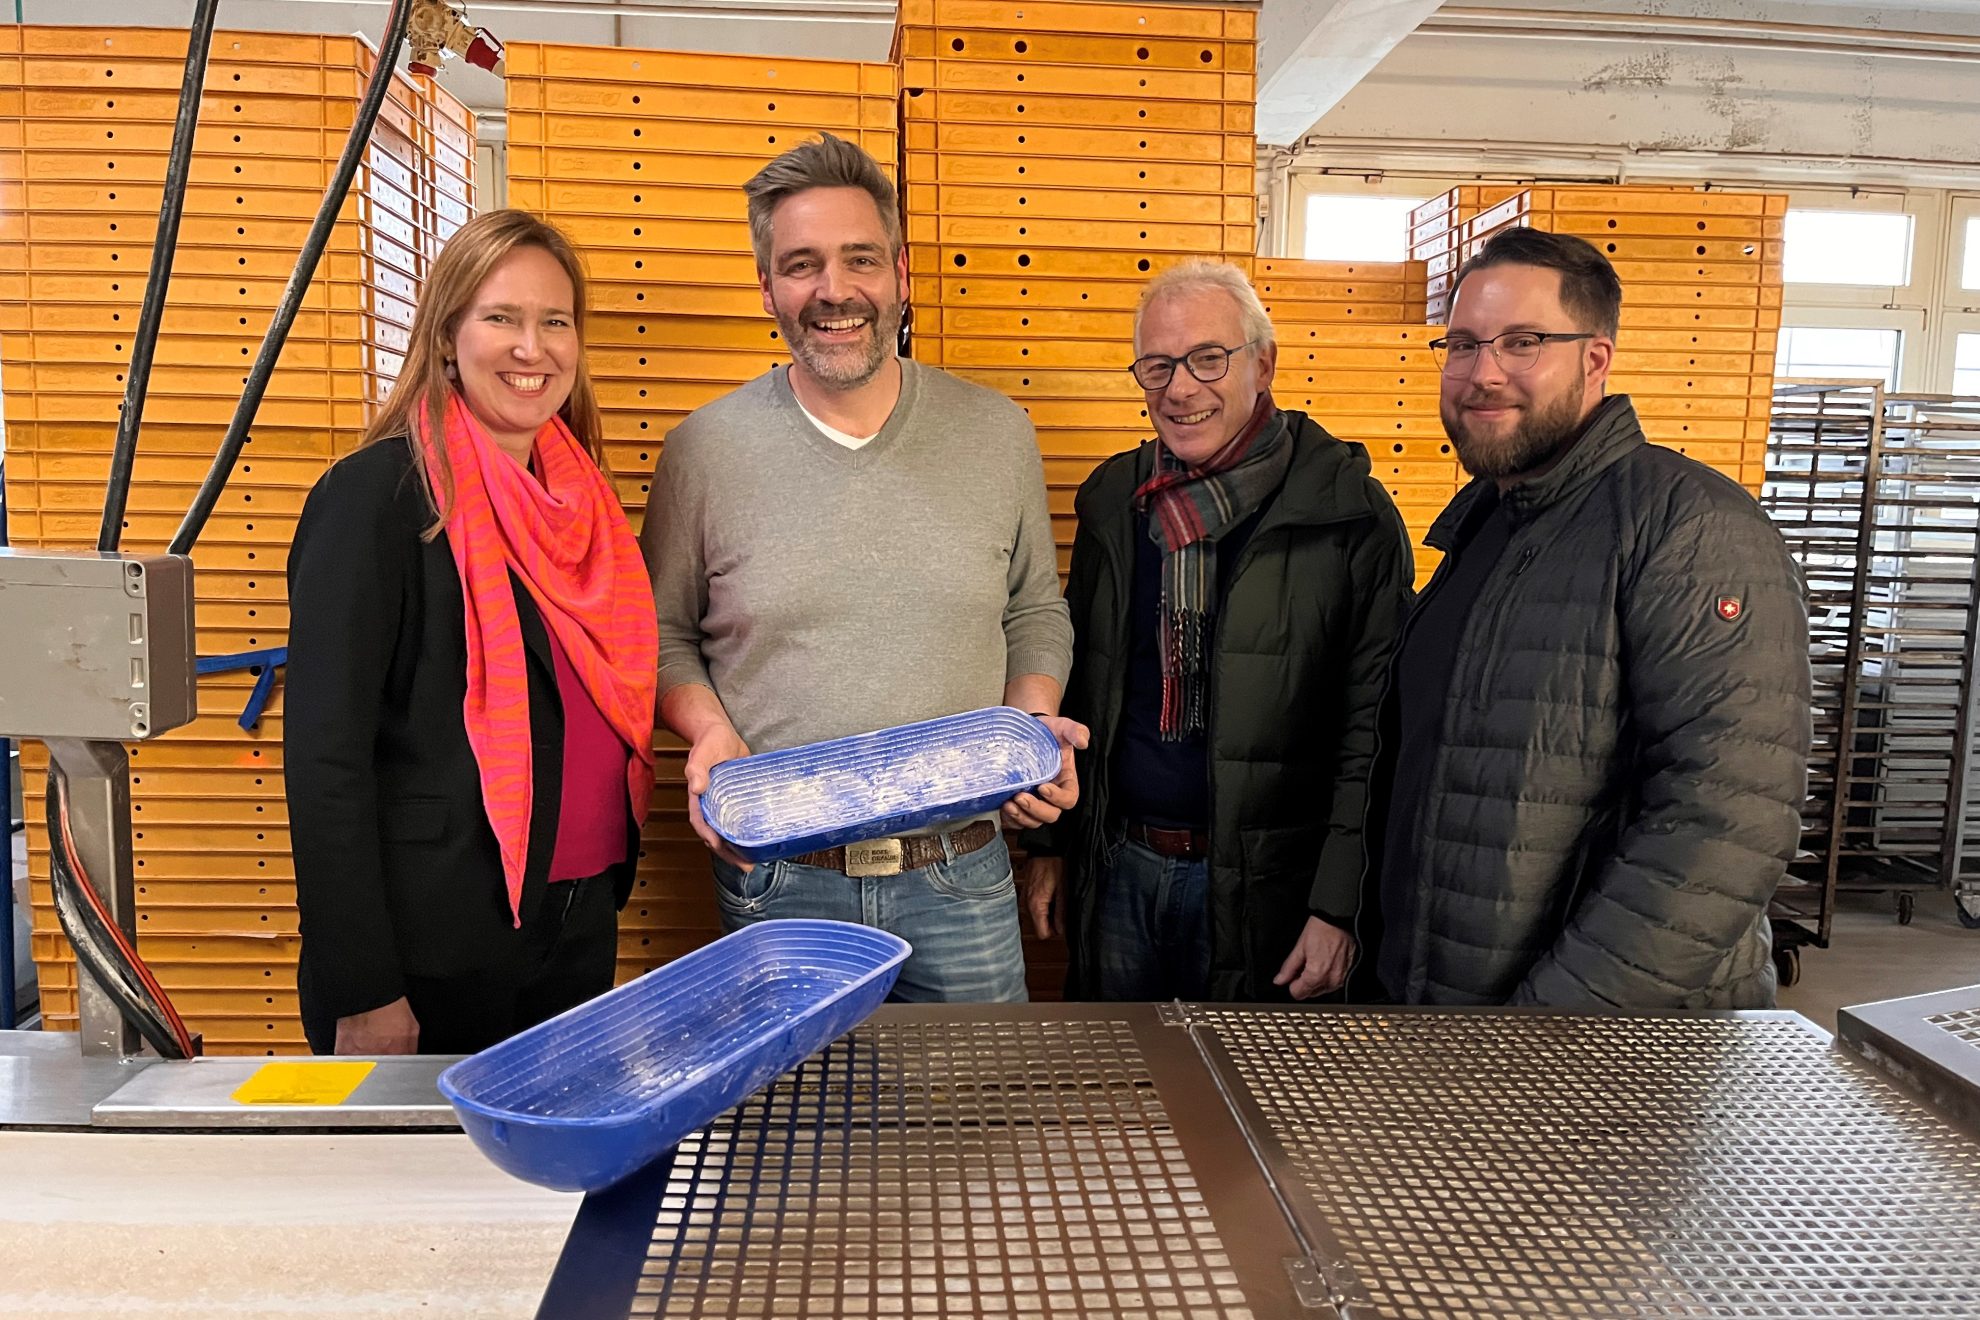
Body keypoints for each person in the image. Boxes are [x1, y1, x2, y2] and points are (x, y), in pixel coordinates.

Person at [642, 132, 1080, 1003]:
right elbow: (661, 635)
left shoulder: (997, 435)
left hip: (962, 872)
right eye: (802, 264)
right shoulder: (703, 450)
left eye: (860, 260)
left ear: (901, 273)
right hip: (781, 882)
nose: (834, 291)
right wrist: (707, 731)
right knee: (796, 1134)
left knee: (978, 1132)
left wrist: (1026, 733)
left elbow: (1034, 606)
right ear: (767, 286)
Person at [1360, 226, 1811, 1009]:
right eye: (1462, 344)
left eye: (1522, 342)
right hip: (1460, 1019)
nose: (1482, 373)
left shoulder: (1690, 528)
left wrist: (1558, 1030)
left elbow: (1727, 824)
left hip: (1605, 1055)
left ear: (1594, 360)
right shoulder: (1487, 526)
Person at [285, 210, 656, 1055]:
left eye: (554, 322)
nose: (534, 348)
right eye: (502, 318)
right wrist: (364, 986)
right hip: (432, 952)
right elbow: (325, 760)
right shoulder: (376, 499)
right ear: (447, 337)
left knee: (549, 1186)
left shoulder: (583, 503)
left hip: (572, 924)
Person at [1018, 260, 1413, 1002]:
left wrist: (1340, 907)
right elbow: (1081, 683)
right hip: (1120, 873)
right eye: (1158, 365)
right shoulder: (1114, 498)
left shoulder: (1350, 515)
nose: (1180, 388)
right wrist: (1052, 845)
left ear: (1263, 364)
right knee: (1117, 1099)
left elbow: (1374, 733)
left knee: (1252, 1111)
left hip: (1271, 893)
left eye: (1208, 358)